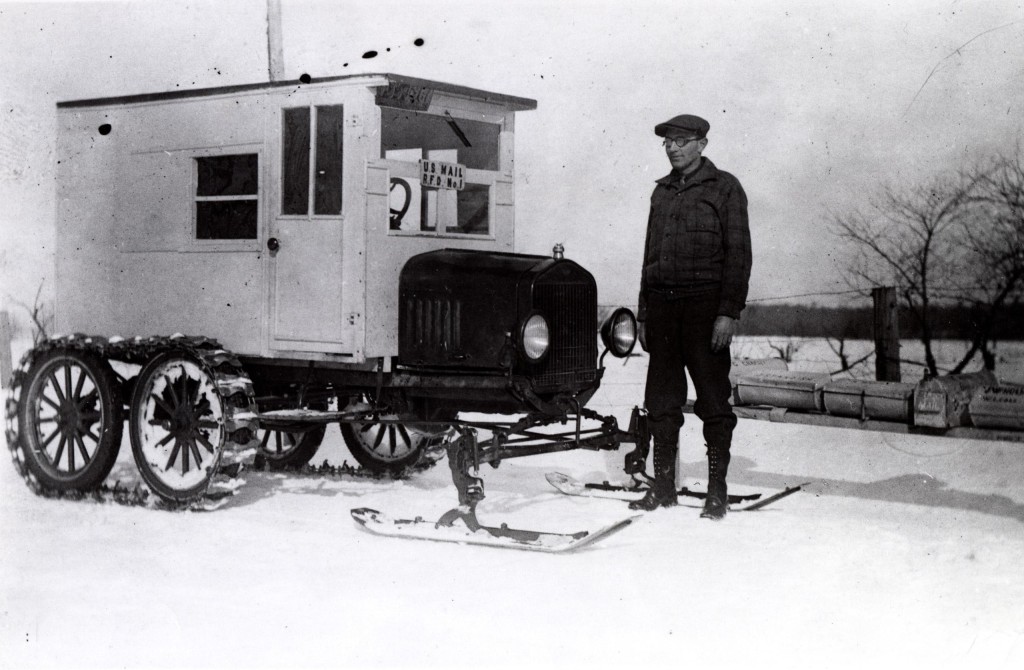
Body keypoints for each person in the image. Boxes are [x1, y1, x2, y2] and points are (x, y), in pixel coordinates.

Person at [631, 114, 752, 520]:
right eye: (668, 141)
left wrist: (728, 312)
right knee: (661, 403)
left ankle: (716, 493)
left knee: (714, 403)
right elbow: (649, 257)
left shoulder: (725, 188)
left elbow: (739, 256)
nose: (673, 148)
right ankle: (663, 488)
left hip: (705, 309)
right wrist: (644, 314)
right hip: (663, 309)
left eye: (681, 141)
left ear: (702, 143)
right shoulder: (661, 193)